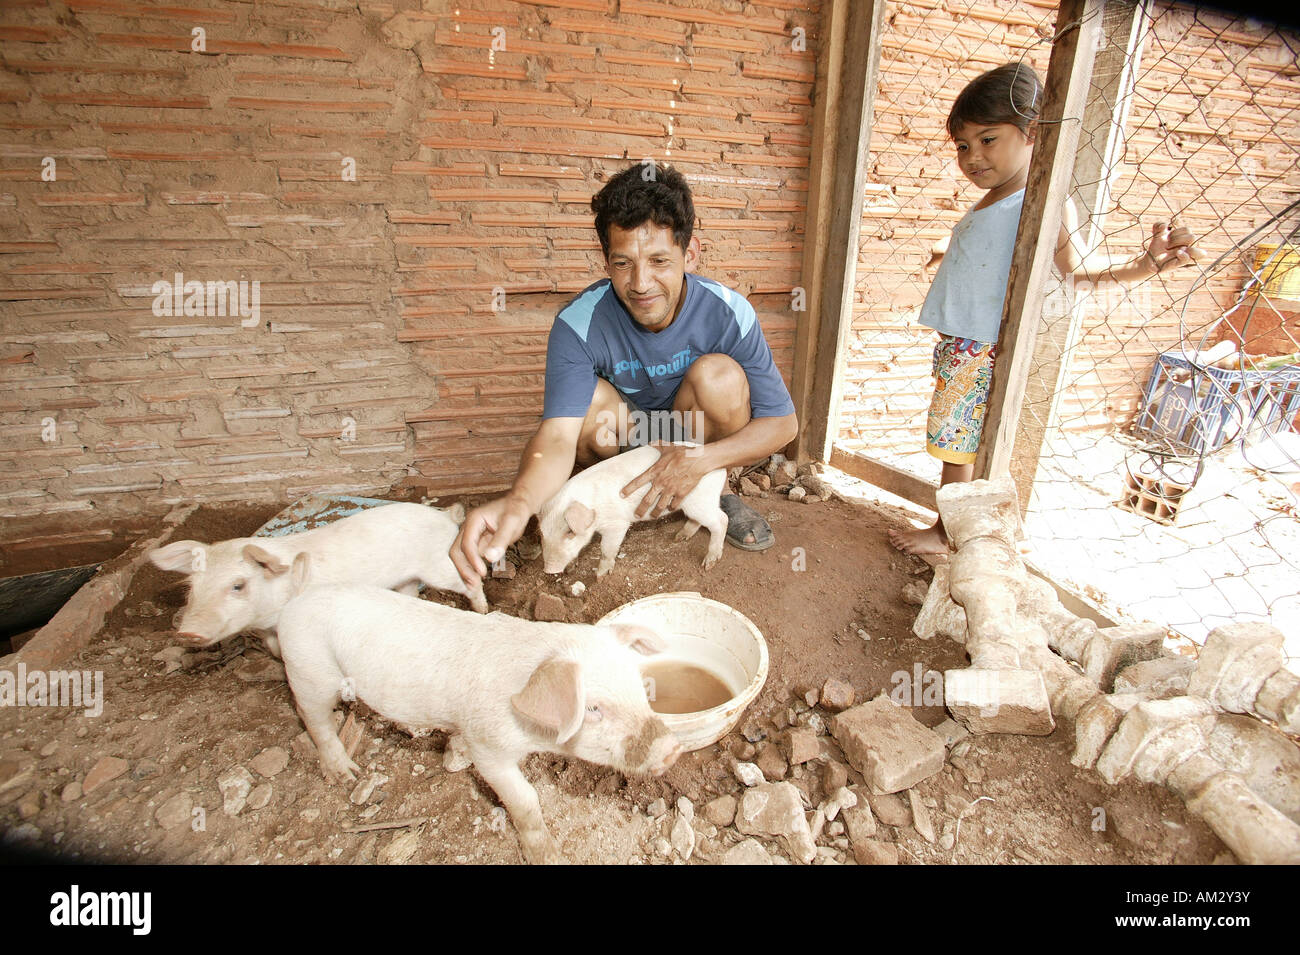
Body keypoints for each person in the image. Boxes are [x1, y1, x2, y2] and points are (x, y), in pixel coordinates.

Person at [888, 62, 1201, 555]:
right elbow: (998, 256)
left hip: (982, 347)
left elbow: (1075, 269)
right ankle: (957, 528)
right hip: (964, 340)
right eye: (963, 146)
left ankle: (947, 532)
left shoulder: (1041, 201)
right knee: (956, 441)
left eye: (988, 139)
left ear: (1032, 132)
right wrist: (951, 255)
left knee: (955, 444)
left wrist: (1144, 265)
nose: (973, 157)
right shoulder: (997, 198)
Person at [450, 161, 799, 588]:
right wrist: (520, 503)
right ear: (606, 260)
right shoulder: (578, 323)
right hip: (627, 438)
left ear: (690, 254)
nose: (640, 283)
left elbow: (783, 424)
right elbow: (558, 435)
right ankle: (612, 498)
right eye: (623, 263)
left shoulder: (729, 312)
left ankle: (715, 489)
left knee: (720, 377)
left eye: (659, 261)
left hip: (692, 433)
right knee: (589, 403)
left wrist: (702, 460)